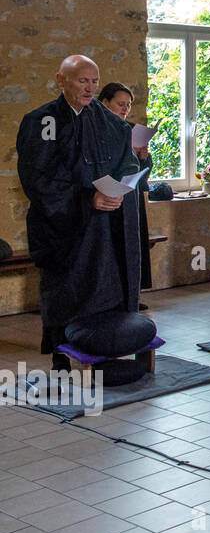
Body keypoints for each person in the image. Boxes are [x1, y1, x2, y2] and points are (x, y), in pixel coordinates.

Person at [17, 55, 142, 359]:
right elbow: (39, 178)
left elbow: (128, 155)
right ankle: (65, 363)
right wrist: (88, 199)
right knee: (69, 296)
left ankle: (104, 355)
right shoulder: (44, 120)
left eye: (94, 81)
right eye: (82, 81)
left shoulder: (104, 118)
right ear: (61, 81)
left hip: (103, 225)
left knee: (106, 288)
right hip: (65, 229)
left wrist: (123, 186)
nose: (90, 88)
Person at [98, 82, 155, 300]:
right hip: (108, 195)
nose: (125, 109)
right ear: (105, 103)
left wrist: (142, 156)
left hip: (131, 196)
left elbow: (144, 170)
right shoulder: (97, 129)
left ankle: (132, 294)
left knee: (132, 247)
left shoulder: (130, 129)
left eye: (128, 105)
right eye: (120, 104)